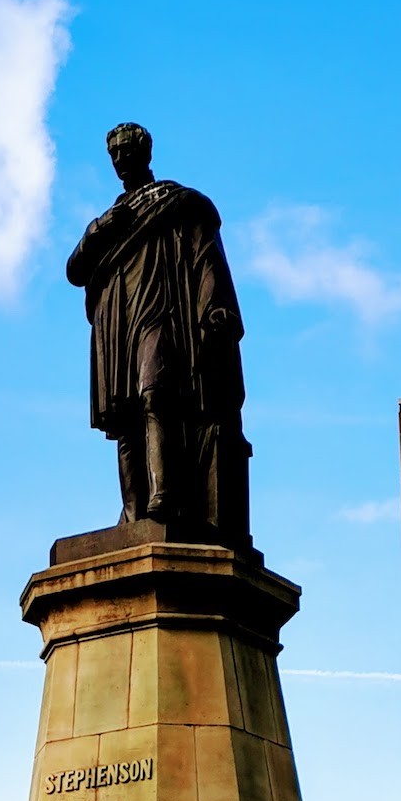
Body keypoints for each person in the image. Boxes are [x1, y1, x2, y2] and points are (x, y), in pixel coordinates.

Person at [66, 122, 249, 541]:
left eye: (126, 151)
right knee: (123, 416)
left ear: (145, 154)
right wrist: (100, 227)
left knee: (155, 392)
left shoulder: (175, 202)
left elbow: (206, 254)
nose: (120, 160)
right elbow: (75, 271)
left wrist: (216, 308)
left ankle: (163, 496)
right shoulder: (112, 219)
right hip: (118, 324)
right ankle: (134, 511)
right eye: (114, 154)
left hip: (160, 311)